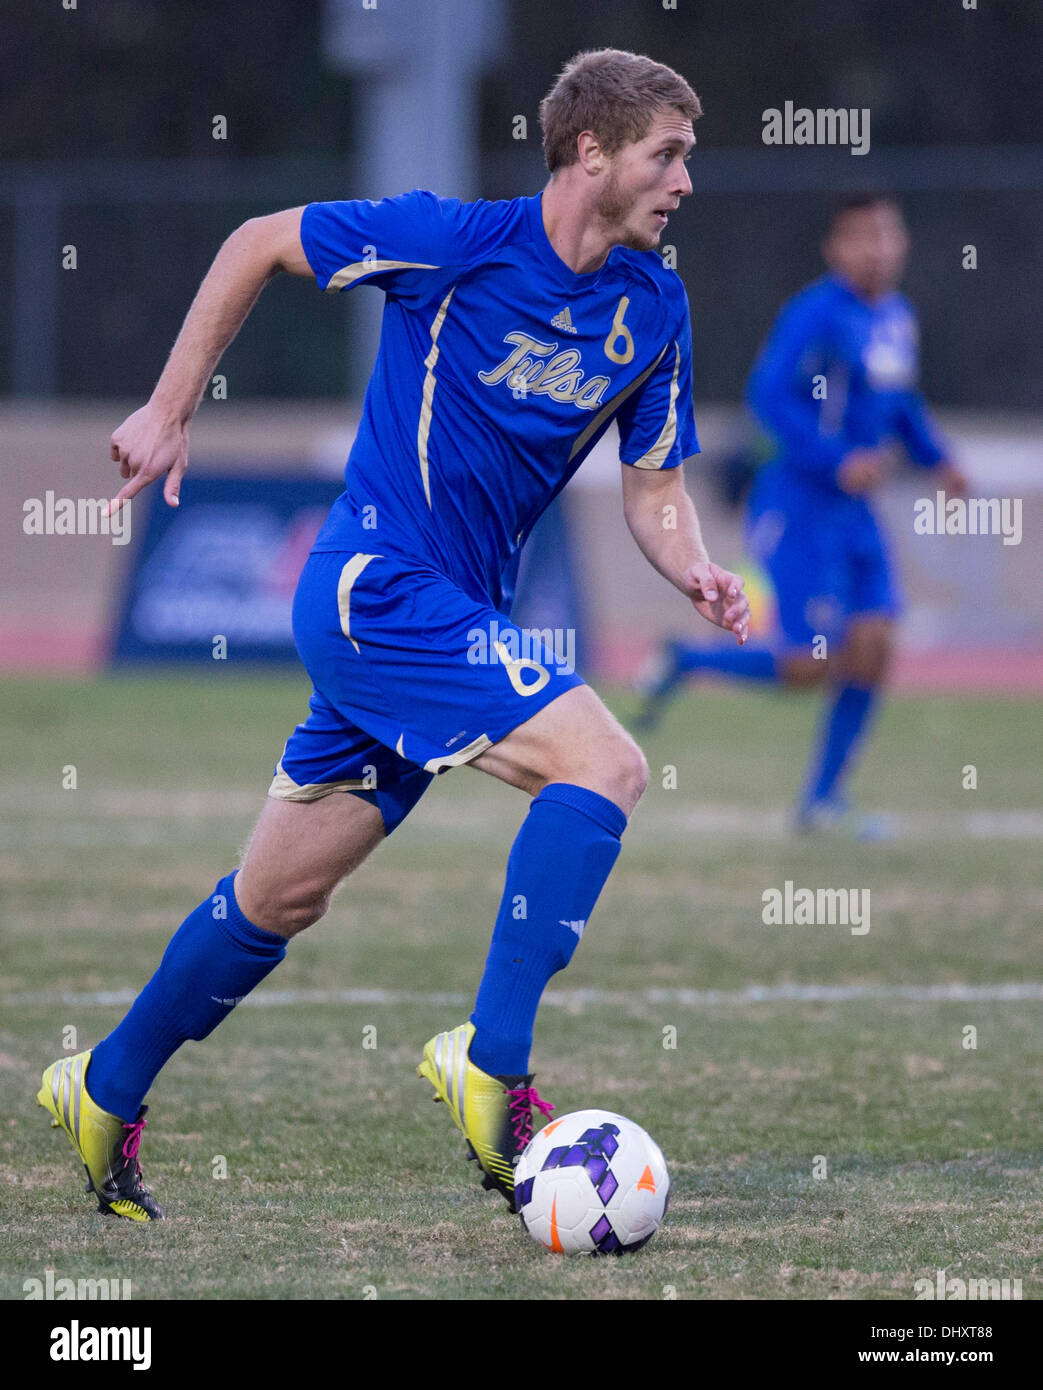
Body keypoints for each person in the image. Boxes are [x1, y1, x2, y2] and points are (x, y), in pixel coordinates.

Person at [37, 48, 748, 1221]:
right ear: (588, 152)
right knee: (606, 764)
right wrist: (169, 413)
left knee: (276, 900)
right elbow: (258, 239)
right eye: (666, 154)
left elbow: (653, 486)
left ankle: (103, 1085)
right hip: (378, 588)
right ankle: (492, 1063)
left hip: (443, 622)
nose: (684, 181)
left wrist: (694, 568)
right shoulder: (455, 242)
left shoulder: (652, 306)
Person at [635, 195, 966, 834]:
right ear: (835, 247)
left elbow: (899, 404)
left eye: (887, 234)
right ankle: (686, 660)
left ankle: (822, 802)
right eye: (862, 236)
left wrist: (938, 459)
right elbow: (769, 397)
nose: (878, 248)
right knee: (809, 665)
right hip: (800, 507)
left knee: (874, 644)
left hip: (856, 516)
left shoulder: (896, 317)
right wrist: (834, 458)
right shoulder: (815, 314)